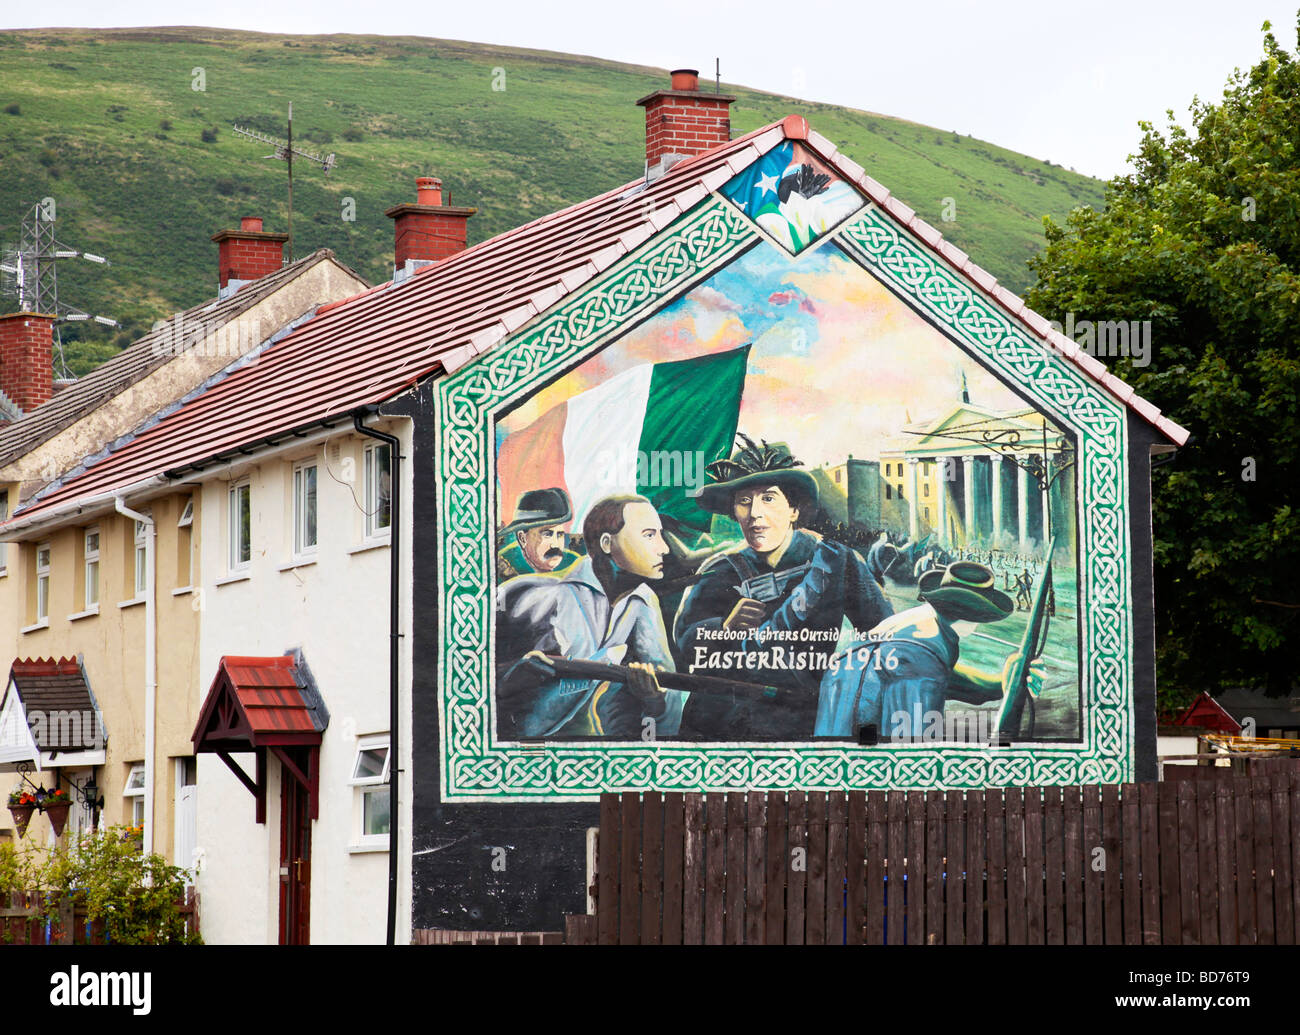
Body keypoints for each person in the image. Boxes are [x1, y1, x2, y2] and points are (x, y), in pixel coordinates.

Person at [673, 438, 892, 738]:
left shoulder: (836, 562)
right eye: (744, 501)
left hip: (798, 725)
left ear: (793, 510)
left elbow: (884, 634)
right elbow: (684, 647)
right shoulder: (718, 571)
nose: (755, 514)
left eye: (768, 498)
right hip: (717, 727)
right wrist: (724, 627)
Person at [496, 494, 685, 739]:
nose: (664, 548)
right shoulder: (540, 594)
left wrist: (656, 699)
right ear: (607, 543)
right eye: (649, 535)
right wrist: (513, 676)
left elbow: (665, 688)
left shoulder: (643, 601)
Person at [814, 561, 1044, 739]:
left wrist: (1003, 682)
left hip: (837, 712)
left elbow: (949, 679)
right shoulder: (923, 656)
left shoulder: (920, 627)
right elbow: (913, 748)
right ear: (972, 615)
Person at [496, 487, 581, 581]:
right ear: (522, 538)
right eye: (547, 534)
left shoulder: (576, 568)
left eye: (559, 535)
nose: (555, 544)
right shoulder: (501, 570)